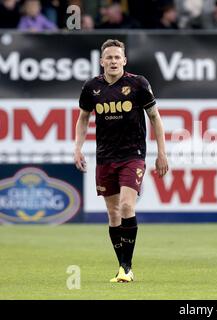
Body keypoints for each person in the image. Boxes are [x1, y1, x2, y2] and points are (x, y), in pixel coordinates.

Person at [74, 39, 169, 283]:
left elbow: (155, 117)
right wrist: (77, 149)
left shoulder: (138, 84)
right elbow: (83, 118)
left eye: (118, 57)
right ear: (101, 61)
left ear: (124, 61)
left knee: (127, 206)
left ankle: (126, 266)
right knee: (113, 213)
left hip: (132, 155)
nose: (113, 61)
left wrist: (162, 152)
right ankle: (122, 266)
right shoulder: (91, 87)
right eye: (109, 57)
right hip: (105, 156)